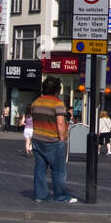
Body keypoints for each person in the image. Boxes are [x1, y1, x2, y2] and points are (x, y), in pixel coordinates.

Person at [31, 76, 77, 204]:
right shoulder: (58, 104)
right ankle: (60, 195)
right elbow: (60, 122)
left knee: (39, 169)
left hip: (38, 139)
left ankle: (40, 195)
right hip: (53, 140)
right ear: (57, 90)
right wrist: (62, 139)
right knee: (58, 170)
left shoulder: (36, 102)